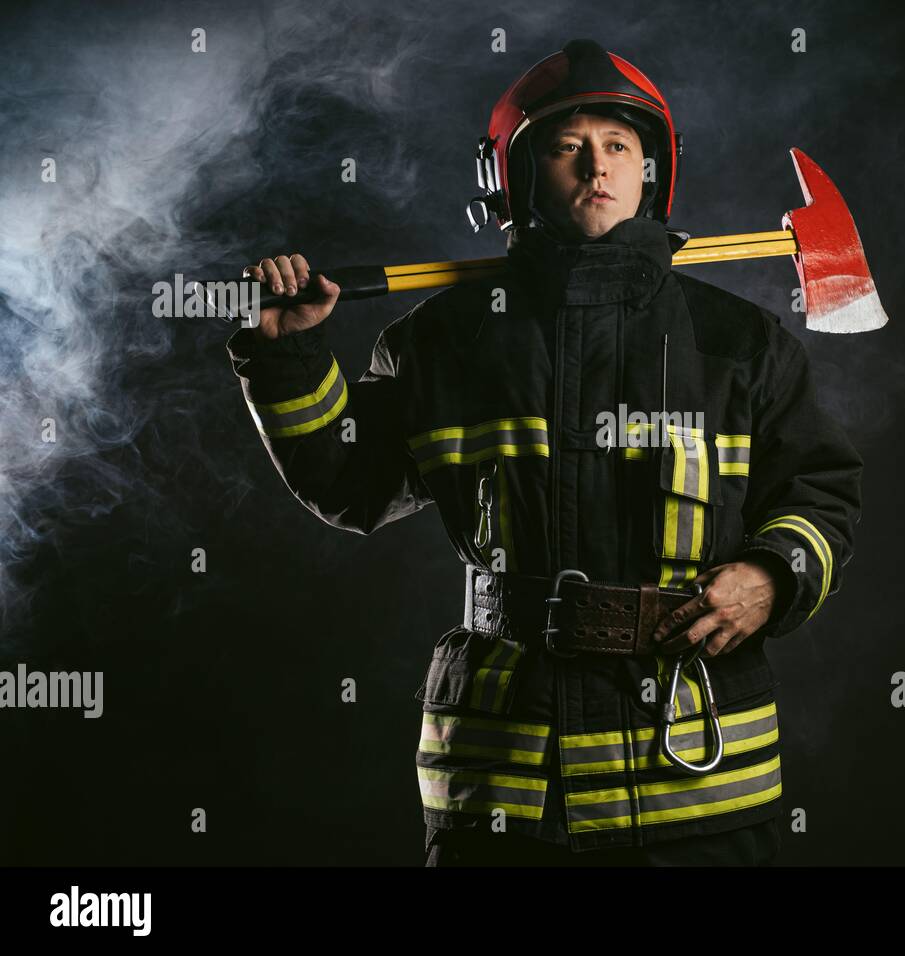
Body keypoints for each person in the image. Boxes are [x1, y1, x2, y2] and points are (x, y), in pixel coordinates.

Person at [226, 38, 863, 866]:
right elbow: (349, 485)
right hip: (508, 797)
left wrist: (773, 576)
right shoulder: (441, 344)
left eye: (618, 146)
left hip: (698, 795)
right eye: (566, 147)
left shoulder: (740, 344)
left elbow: (822, 494)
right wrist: (286, 358)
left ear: (651, 173)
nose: (595, 165)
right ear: (515, 179)